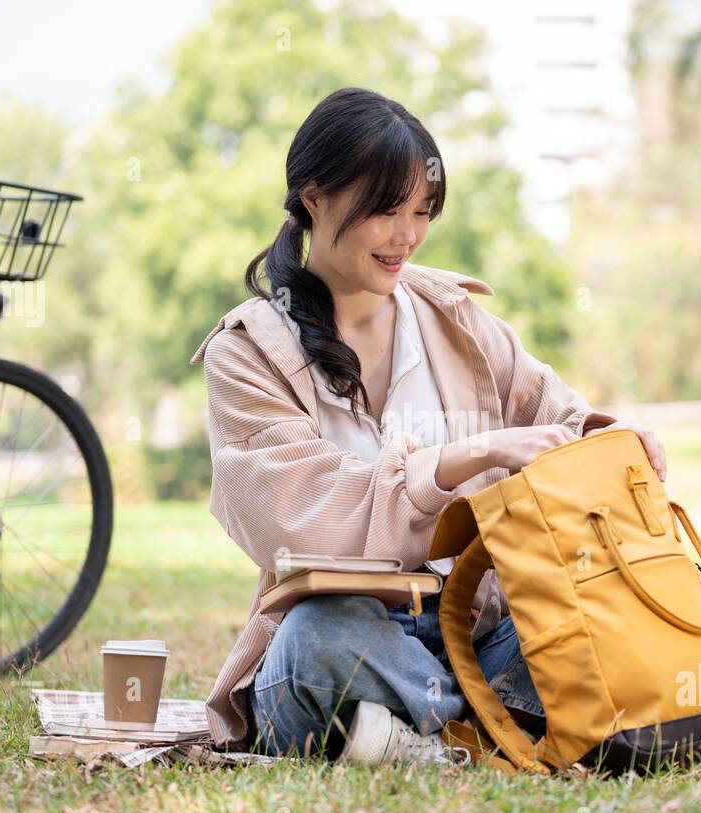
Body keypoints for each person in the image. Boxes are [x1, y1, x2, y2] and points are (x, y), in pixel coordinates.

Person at [189, 86, 668, 766]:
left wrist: (609, 437)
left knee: (595, 617)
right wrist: (466, 456)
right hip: (354, 633)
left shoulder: (451, 317)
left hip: (477, 629)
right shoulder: (247, 353)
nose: (406, 236)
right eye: (386, 210)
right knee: (312, 645)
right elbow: (298, 521)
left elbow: (555, 414)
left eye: (421, 212)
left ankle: (414, 738)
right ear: (313, 198)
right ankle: (499, 727)